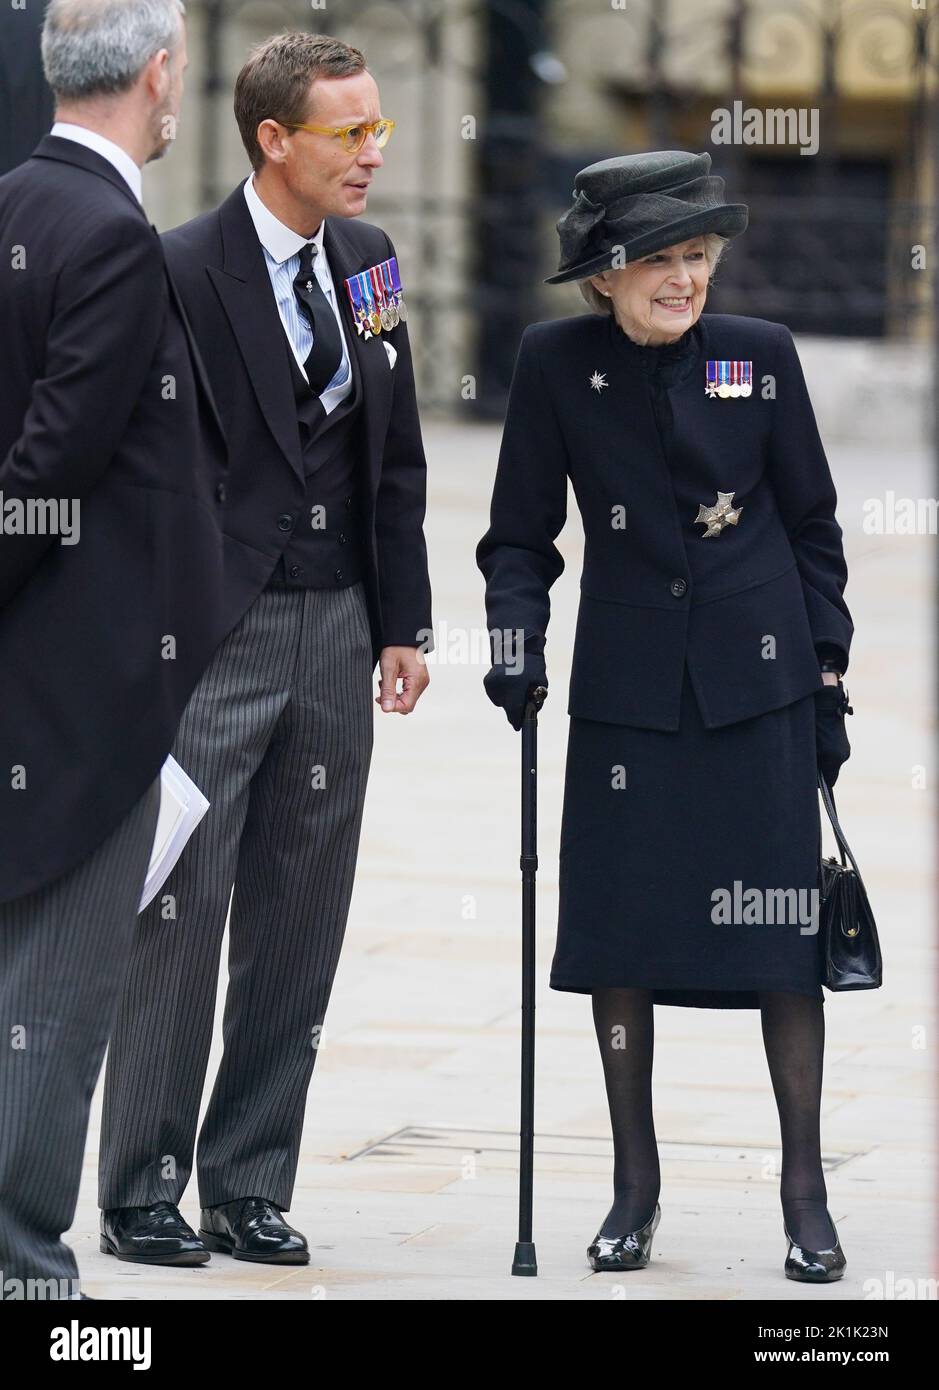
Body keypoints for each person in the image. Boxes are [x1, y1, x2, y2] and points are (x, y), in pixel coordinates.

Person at [477, 150, 855, 1283]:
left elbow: (814, 527)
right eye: (661, 261)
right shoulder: (555, 365)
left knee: (783, 943)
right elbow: (517, 537)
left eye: (698, 257)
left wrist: (827, 673)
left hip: (761, 684)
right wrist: (513, 642)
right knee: (620, 940)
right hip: (630, 699)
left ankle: (805, 1195)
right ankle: (633, 1190)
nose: (686, 280)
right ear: (604, 275)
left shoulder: (762, 357)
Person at [97, 31, 433, 1269]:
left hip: (344, 628)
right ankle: (141, 1187)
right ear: (274, 140)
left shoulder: (373, 262)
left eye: (382, 126)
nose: (375, 152)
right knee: (179, 916)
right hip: (215, 637)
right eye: (351, 132)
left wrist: (404, 619)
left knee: (303, 915)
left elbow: (391, 449)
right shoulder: (178, 269)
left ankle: (250, 1182)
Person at [0, 0, 228, 1298]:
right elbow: (56, 463)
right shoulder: (109, 234)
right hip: (80, 687)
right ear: (161, 75)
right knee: (53, 993)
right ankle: (23, 1268)